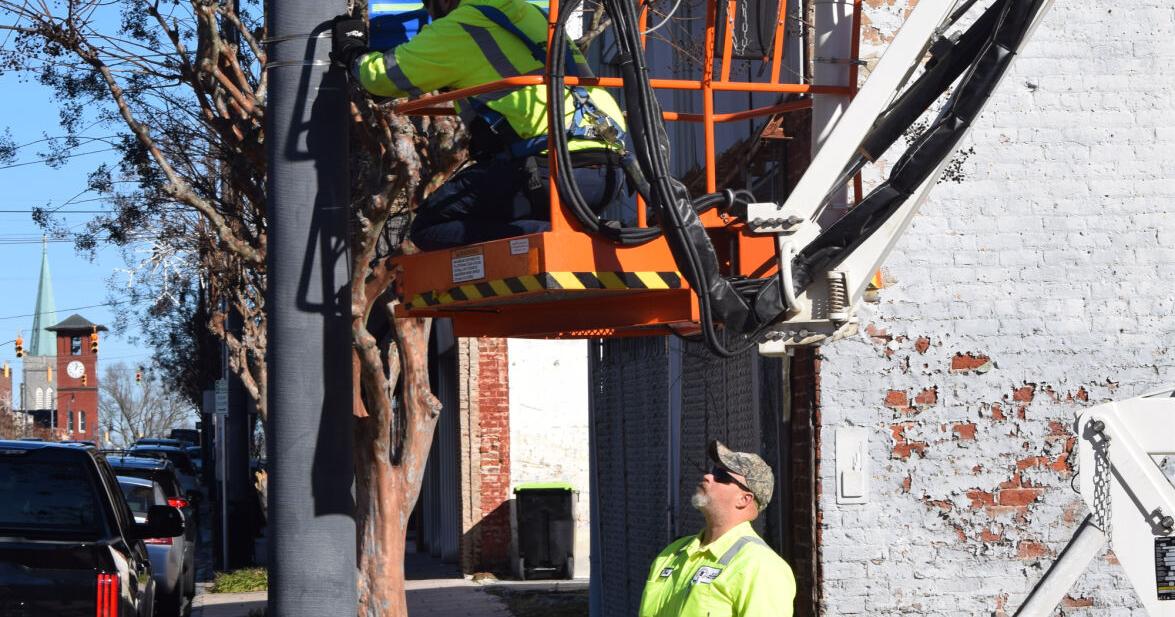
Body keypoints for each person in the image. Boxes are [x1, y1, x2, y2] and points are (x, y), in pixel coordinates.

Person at [332, 0, 631, 250]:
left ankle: (567, 240)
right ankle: (586, 231)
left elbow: (381, 79)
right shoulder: (532, 13)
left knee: (430, 226)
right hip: (609, 171)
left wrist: (352, 50)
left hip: (548, 171)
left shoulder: (460, 26)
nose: (428, 10)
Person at [639, 440, 796, 617]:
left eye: (721, 475)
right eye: (713, 471)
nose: (707, 476)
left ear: (744, 499)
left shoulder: (760, 566)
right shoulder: (672, 553)